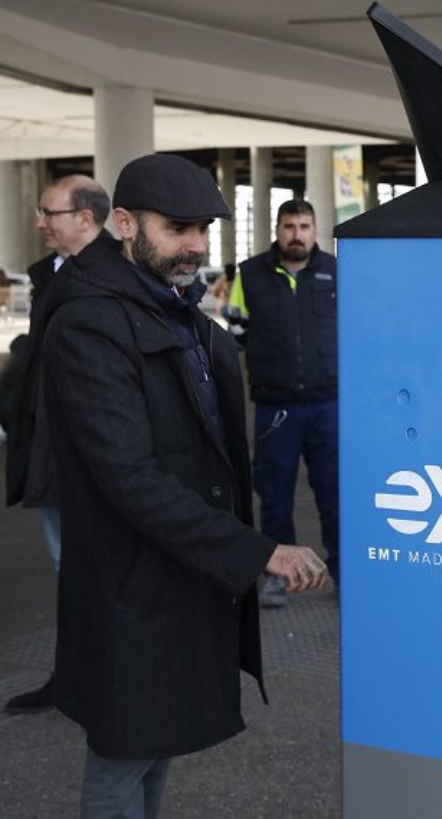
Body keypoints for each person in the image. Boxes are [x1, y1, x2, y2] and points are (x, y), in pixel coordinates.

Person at [37, 153, 329, 817]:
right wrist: (259, 550)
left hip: (178, 569)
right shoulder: (90, 320)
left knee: (155, 742)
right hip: (131, 582)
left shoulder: (172, 307)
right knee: (122, 756)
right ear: (123, 223)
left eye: (203, 229)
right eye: (177, 228)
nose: (196, 245)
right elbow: (129, 477)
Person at [3, 175, 120, 715]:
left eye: (48, 213)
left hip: (100, 451)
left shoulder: (122, 274)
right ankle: (77, 676)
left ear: (85, 218)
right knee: (67, 567)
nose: (39, 222)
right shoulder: (48, 275)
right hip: (49, 446)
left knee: (104, 569)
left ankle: (110, 680)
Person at [226, 199, 339, 607]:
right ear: (277, 229)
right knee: (274, 495)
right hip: (276, 408)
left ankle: (344, 573)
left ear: (315, 230)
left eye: (304, 226)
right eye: (289, 226)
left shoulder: (337, 272)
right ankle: (278, 576)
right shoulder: (250, 274)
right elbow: (235, 331)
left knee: (335, 493)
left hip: (328, 405)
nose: (297, 235)